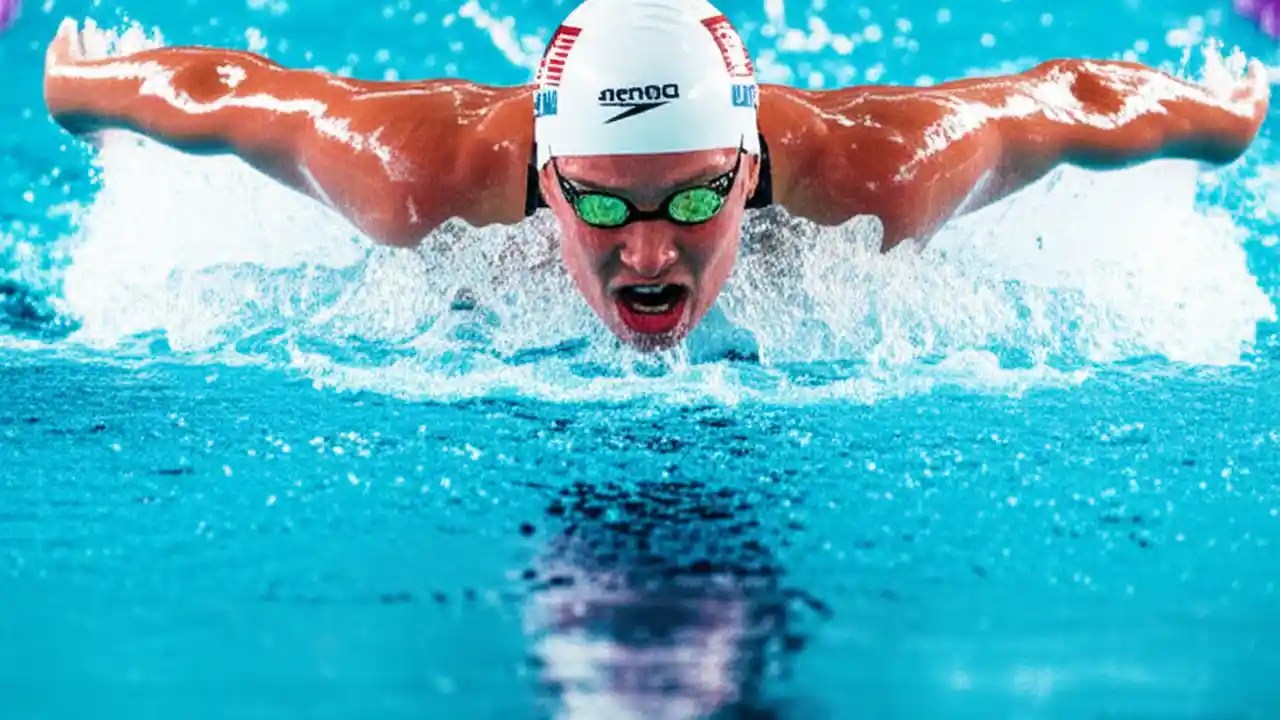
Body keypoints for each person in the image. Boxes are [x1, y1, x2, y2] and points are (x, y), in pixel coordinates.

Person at [44, 0, 1270, 349]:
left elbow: (1062, 104)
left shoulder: (874, 177)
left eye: (691, 201)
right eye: (598, 203)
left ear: (748, 167)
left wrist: (1229, 119)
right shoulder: (414, 176)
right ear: (542, 172)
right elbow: (233, 95)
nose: (645, 253)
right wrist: (72, 86)